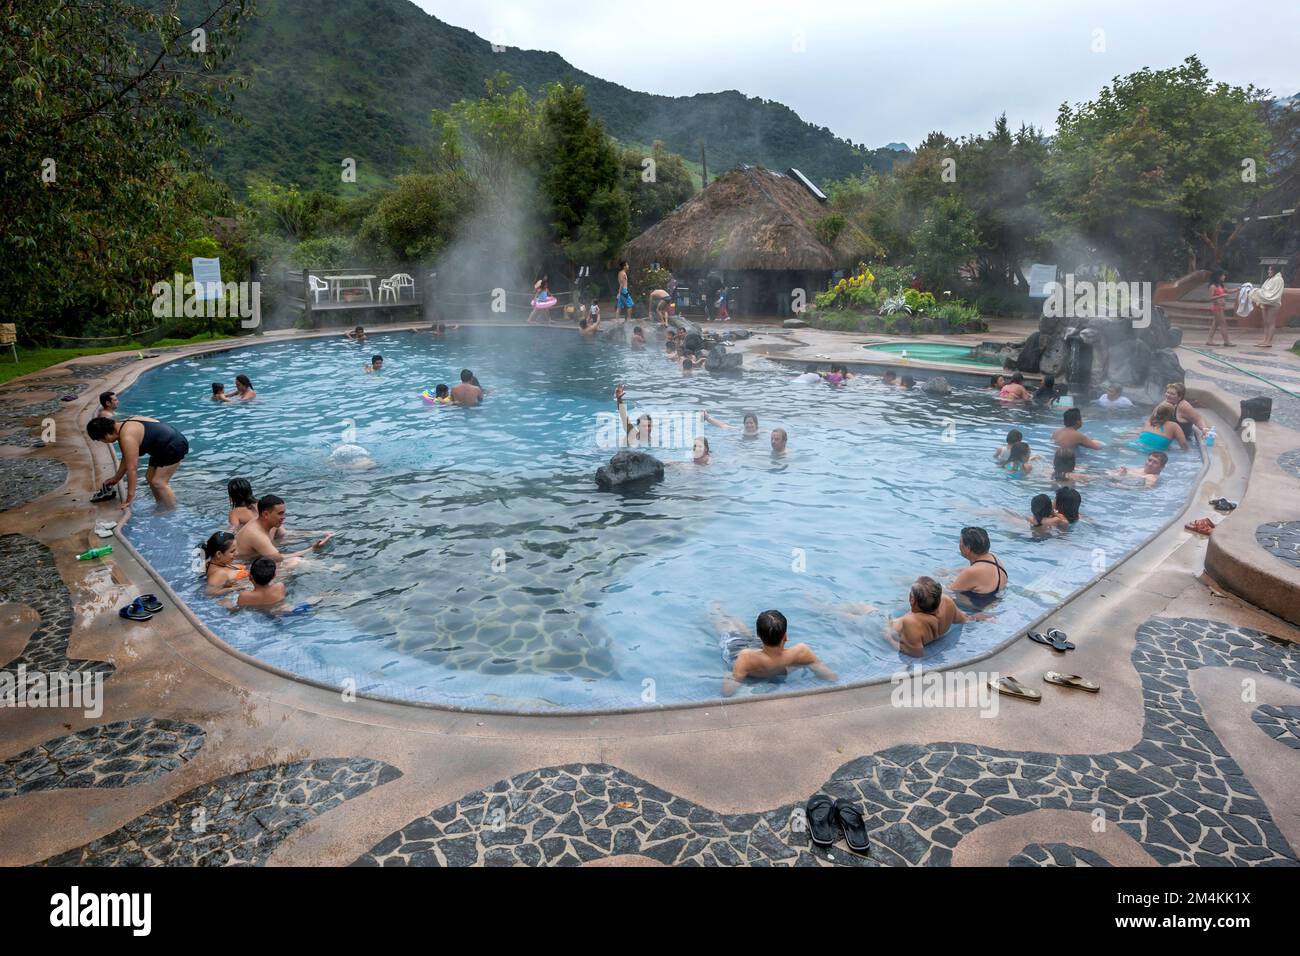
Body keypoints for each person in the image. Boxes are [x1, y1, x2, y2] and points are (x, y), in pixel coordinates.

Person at [722, 609, 835, 695]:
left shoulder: (746, 657)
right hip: (760, 647)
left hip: (738, 649)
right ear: (785, 636)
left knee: (727, 624)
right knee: (741, 629)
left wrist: (729, 676)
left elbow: (727, 691)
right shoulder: (801, 652)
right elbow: (830, 677)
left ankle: (716, 608)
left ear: (759, 637)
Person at [86, 416, 189, 510]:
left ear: (106, 435)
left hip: (174, 445)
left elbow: (132, 469)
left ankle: (173, 512)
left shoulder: (127, 437)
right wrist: (116, 478)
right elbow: (126, 458)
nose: (104, 442)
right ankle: (161, 505)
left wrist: (129, 498)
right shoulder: (125, 424)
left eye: (100, 440)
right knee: (149, 477)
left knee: (159, 482)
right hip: (162, 446)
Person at [887, 577, 974, 658]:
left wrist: (889, 638)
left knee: (888, 622)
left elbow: (916, 654)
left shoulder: (911, 622)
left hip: (902, 632)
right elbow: (963, 619)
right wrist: (976, 617)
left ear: (911, 599)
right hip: (937, 632)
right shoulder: (947, 601)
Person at [234, 494, 333, 563]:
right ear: (266, 514)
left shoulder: (270, 522)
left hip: (261, 558)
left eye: (284, 513)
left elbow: (286, 535)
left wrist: (320, 533)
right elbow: (279, 558)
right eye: (280, 514)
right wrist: (312, 549)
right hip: (245, 565)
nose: (284, 517)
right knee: (296, 562)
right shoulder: (256, 535)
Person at [951, 527, 1008, 610]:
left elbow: (950, 593)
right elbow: (977, 572)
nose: (959, 545)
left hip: (979, 609)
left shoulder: (971, 572)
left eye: (960, 542)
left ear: (968, 548)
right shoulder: (993, 557)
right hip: (995, 600)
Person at [1248, 265, 1285, 348]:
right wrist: (1259, 293)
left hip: (1274, 303)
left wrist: (1262, 294)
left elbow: (1273, 293)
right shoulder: (1269, 280)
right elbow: (1264, 290)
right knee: (1265, 322)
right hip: (1265, 302)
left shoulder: (1279, 280)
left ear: (1274, 270)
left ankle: (1269, 341)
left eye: (1270, 270)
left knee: (1271, 322)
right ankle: (1264, 340)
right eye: (1268, 270)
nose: (1268, 271)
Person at [1206, 271, 1234, 347]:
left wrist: (1238, 289)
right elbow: (1211, 298)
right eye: (1223, 275)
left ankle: (1209, 340)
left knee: (1215, 324)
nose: (1224, 277)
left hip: (1221, 307)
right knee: (1223, 324)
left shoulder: (1220, 285)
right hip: (1217, 307)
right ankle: (1226, 341)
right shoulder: (1213, 286)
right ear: (1218, 276)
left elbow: (1228, 291)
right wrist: (1221, 296)